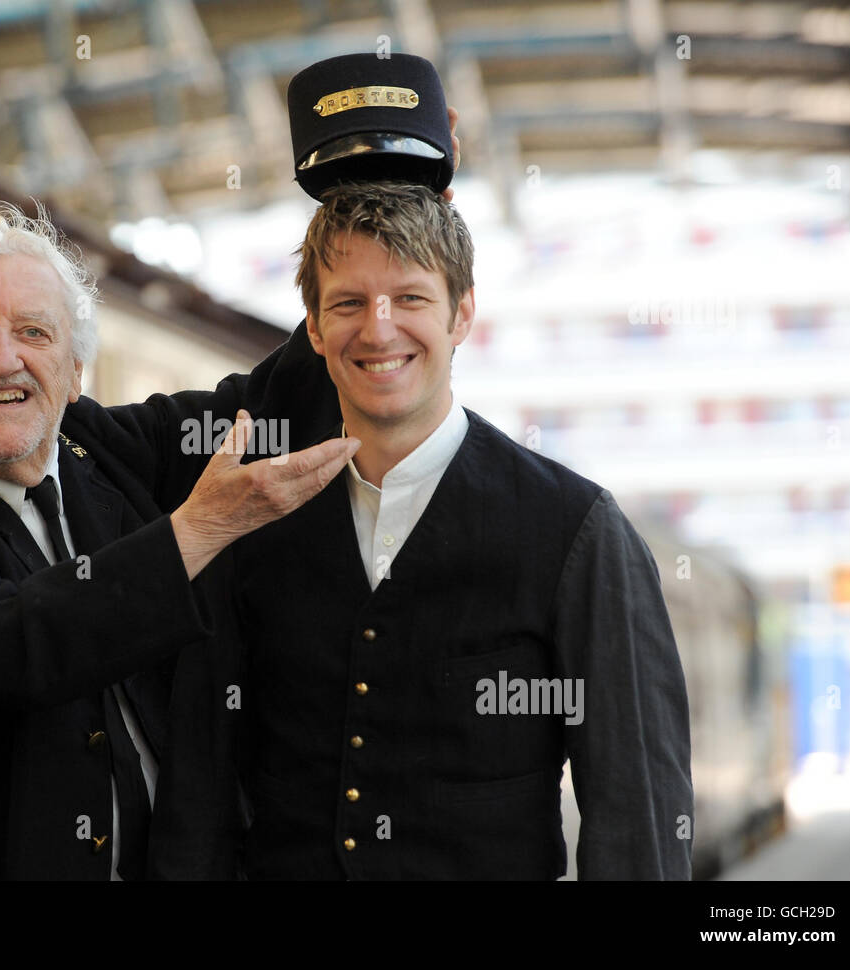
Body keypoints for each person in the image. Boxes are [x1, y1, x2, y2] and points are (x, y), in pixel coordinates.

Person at [144, 181, 695, 880]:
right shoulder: (254, 519)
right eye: (348, 303)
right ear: (313, 328)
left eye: (410, 298)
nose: (378, 330)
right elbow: (201, 791)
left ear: (461, 314)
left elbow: (637, 816)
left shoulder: (575, 529)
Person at [0, 205, 358, 880]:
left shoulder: (96, 451)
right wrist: (198, 530)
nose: (3, 358)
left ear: (74, 374)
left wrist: (387, 222)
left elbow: (267, 405)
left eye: (33, 333)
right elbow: (15, 646)